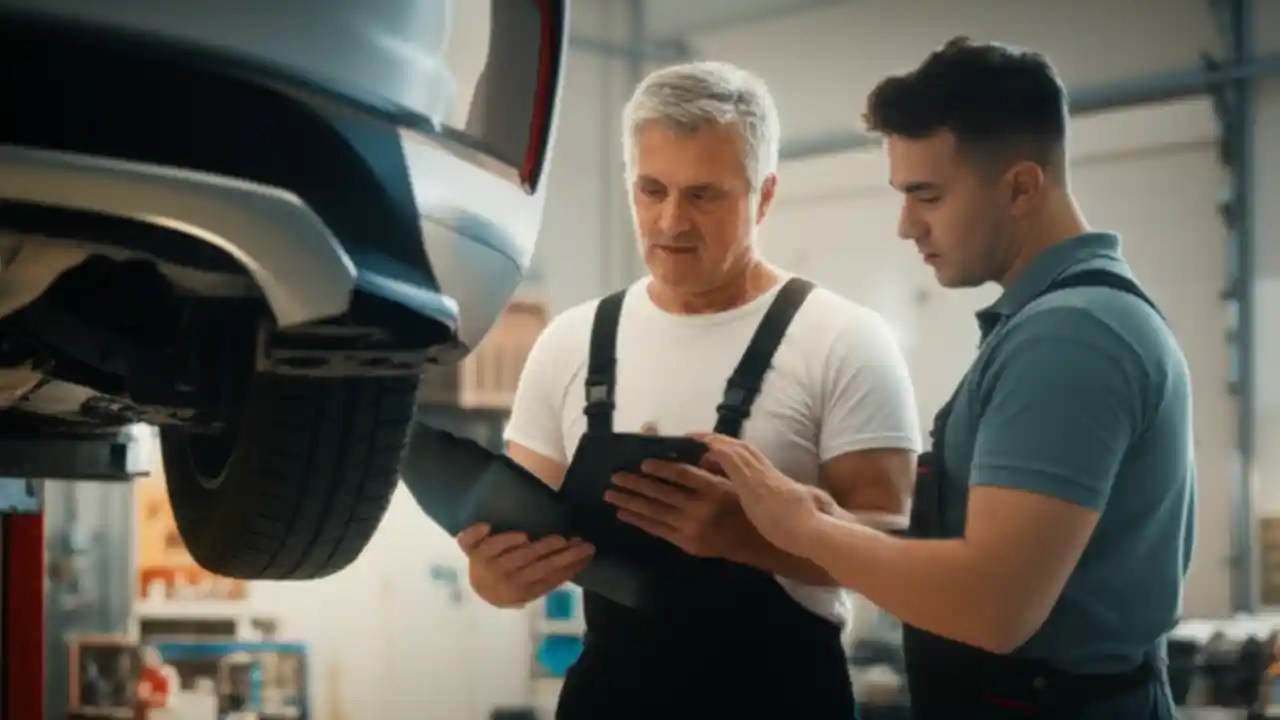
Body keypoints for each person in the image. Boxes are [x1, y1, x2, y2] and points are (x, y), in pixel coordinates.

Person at [692, 37, 1195, 719]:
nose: (906, 226)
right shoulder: (1058, 322)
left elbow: (992, 606)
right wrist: (816, 518)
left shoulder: (1071, 336)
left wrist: (802, 531)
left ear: (1021, 186)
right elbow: (976, 557)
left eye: (925, 195)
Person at [455, 60, 922, 718]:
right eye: (651, 190)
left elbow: (901, 560)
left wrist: (748, 537)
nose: (671, 222)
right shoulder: (571, 341)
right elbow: (500, 562)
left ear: (763, 196)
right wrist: (497, 577)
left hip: (780, 695)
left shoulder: (845, 340)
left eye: (704, 195)